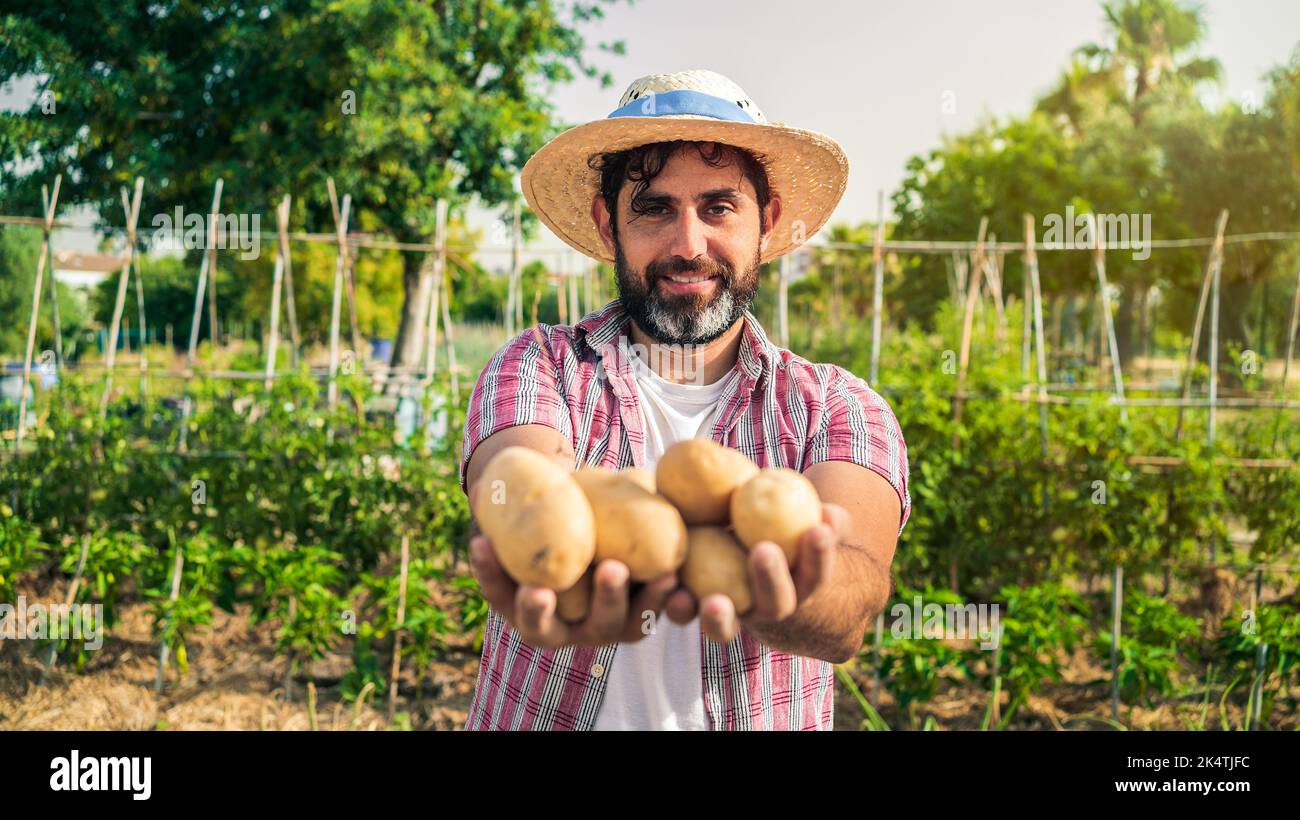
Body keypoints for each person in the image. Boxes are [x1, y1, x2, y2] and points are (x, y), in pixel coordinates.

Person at [460, 69, 910, 730]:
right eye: (655, 207)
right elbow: (521, 486)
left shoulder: (837, 407)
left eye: (719, 207)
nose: (688, 245)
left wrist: (795, 588)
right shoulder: (541, 365)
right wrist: (542, 555)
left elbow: (852, 598)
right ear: (607, 225)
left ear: (768, 223)